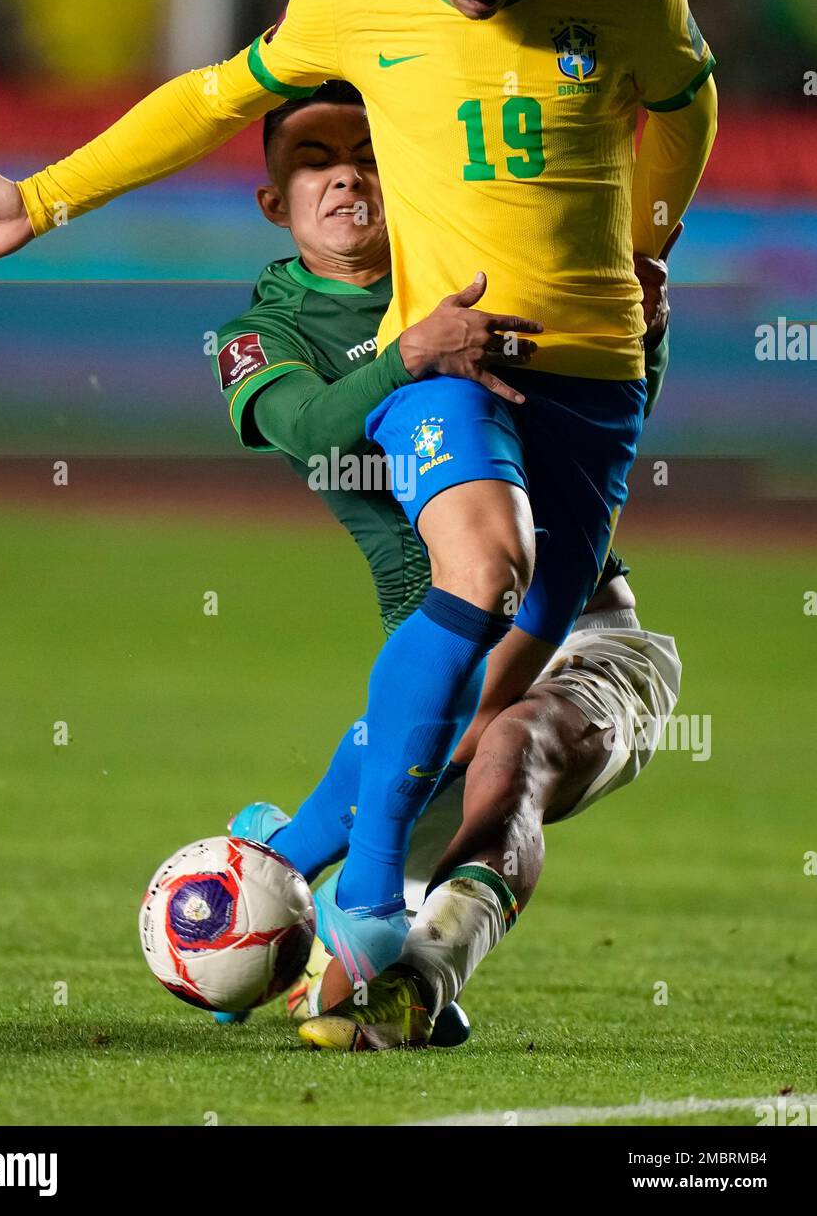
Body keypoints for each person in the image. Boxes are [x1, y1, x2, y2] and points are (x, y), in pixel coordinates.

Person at [0, 0, 716, 973]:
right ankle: (366, 897)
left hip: (595, 367)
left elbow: (686, 104)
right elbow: (206, 99)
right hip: (439, 356)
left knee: (519, 641)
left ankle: (291, 856)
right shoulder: (349, 9)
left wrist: (651, 243)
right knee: (482, 567)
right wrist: (41, 199)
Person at [207, 81, 678, 1047]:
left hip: (588, 632)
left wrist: (639, 332)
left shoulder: (480, 273)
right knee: (276, 957)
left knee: (513, 748)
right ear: (273, 200)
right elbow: (308, 425)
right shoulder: (267, 334)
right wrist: (408, 358)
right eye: (313, 158)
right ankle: (285, 874)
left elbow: (605, 437)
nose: (346, 174)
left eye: (370, 154)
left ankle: (423, 968)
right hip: (442, 654)